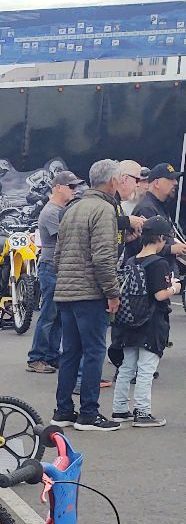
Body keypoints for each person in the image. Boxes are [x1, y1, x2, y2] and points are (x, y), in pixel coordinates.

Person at [52, 158, 122, 432]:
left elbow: (57, 256)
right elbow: (103, 258)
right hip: (90, 294)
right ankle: (89, 414)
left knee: (70, 352)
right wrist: (112, 292)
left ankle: (63, 411)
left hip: (66, 292)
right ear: (112, 181)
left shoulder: (72, 208)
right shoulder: (104, 209)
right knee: (94, 352)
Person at [110, 216, 180, 427]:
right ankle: (142, 411)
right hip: (151, 322)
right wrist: (175, 287)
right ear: (161, 238)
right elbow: (159, 295)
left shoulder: (131, 261)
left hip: (129, 320)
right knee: (146, 369)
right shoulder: (159, 263)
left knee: (126, 367)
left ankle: (119, 409)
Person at [28, 170, 83, 373]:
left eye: (76, 186)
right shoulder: (51, 212)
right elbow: (66, 237)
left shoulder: (59, 210)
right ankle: (36, 357)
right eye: (71, 186)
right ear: (58, 187)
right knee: (49, 314)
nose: (75, 190)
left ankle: (51, 355)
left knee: (58, 314)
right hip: (51, 266)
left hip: (56, 266)